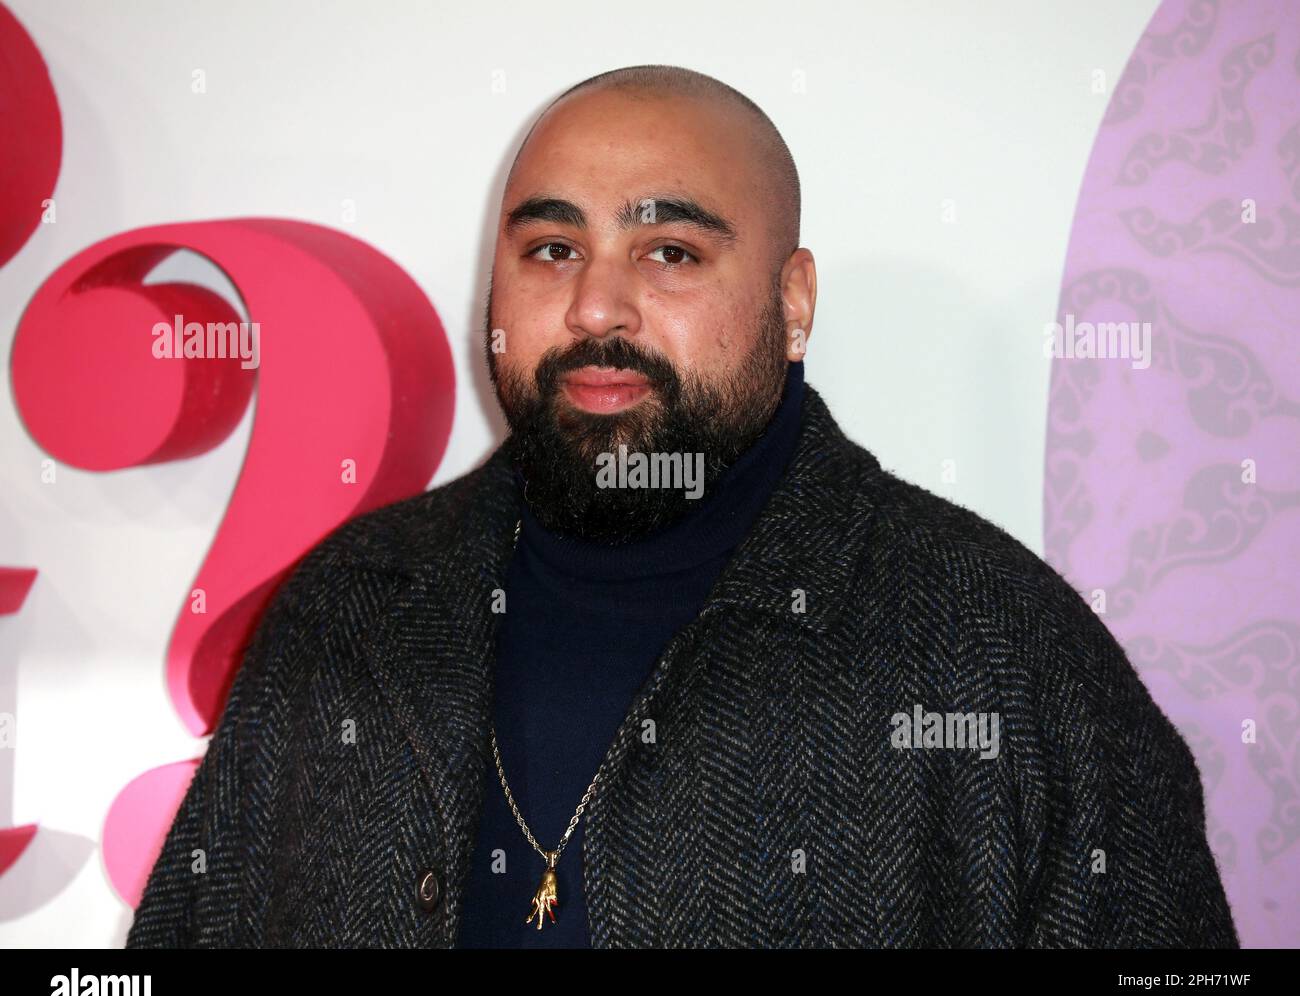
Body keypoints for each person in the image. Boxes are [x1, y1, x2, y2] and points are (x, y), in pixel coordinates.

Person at [126, 64, 1238, 949]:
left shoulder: (1001, 653)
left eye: (668, 251)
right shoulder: (348, 614)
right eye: (551, 249)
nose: (596, 304)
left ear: (792, 302)